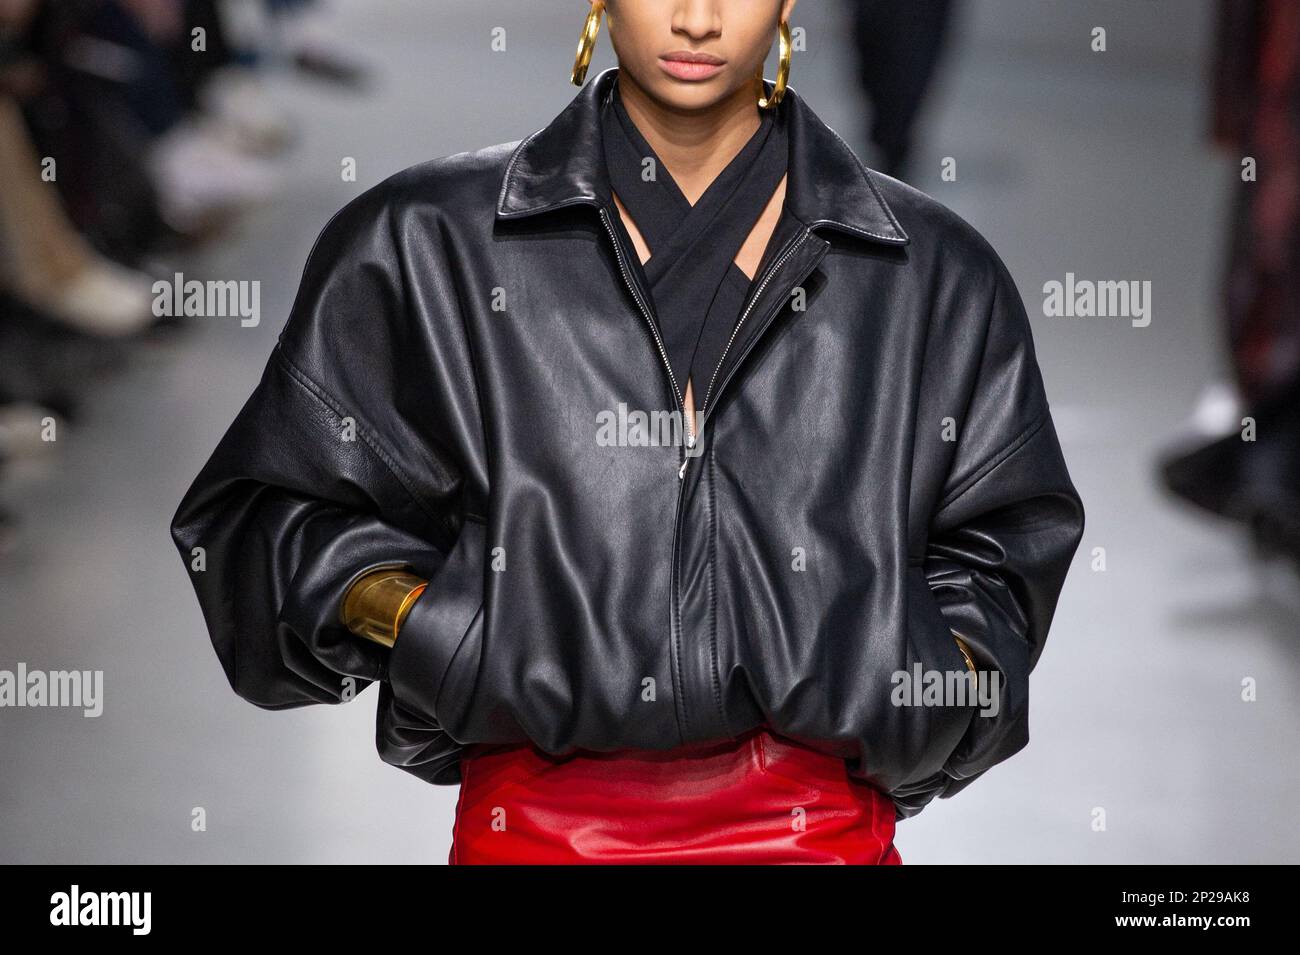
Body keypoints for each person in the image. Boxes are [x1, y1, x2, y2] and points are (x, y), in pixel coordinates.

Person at [171, 0, 1085, 864]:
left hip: (819, 834)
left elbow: (1003, 558)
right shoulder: (426, 242)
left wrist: (898, 681)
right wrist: (452, 636)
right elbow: (266, 530)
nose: (695, 17)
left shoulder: (930, 273)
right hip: (531, 828)